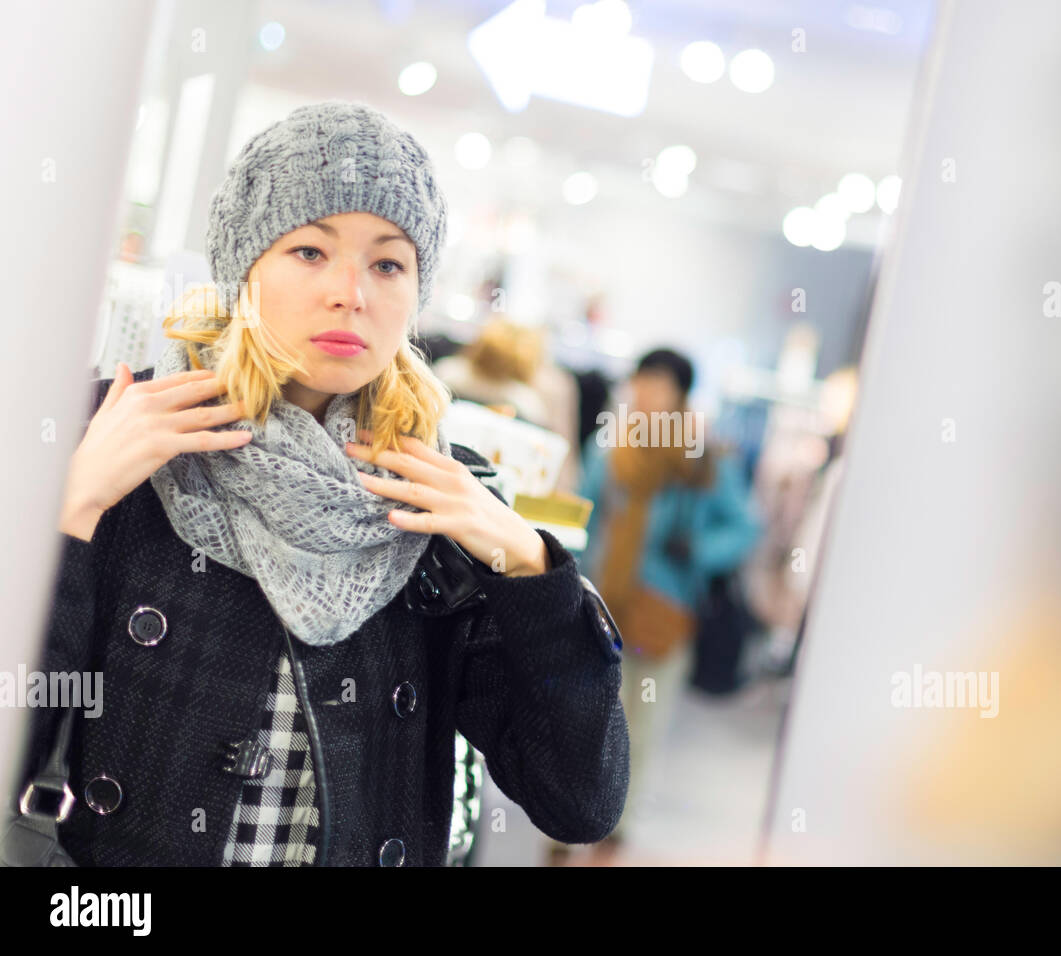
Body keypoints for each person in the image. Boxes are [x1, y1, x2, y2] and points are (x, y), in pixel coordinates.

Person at [12, 101, 629, 867]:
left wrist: (527, 562)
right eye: (309, 251)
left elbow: (579, 801)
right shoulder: (117, 430)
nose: (350, 293)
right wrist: (69, 511)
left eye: (387, 262)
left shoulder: (442, 497)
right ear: (246, 265)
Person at [550, 348, 760, 863]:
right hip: (600, 604)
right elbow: (585, 517)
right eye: (642, 381)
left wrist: (702, 551)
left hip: (665, 609)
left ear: (680, 394)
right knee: (583, 718)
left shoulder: (703, 459)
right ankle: (563, 825)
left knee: (641, 724)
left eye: (659, 384)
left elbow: (745, 527)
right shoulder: (611, 447)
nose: (646, 393)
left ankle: (615, 830)